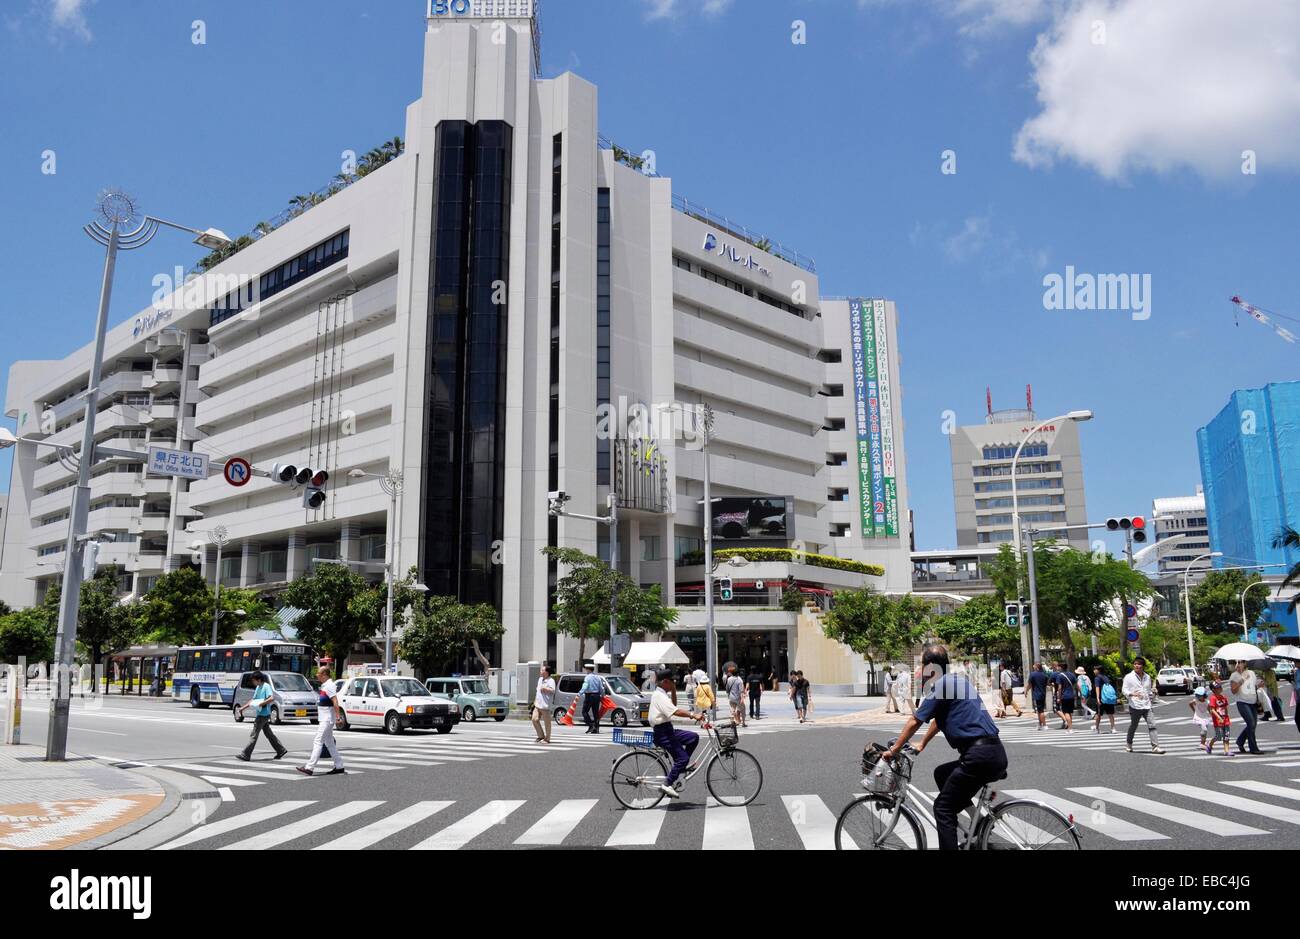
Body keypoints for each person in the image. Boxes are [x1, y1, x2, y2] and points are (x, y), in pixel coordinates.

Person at [882, 642, 1007, 851]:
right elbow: (939, 720)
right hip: (993, 752)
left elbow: (915, 721)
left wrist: (894, 750)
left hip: (978, 756)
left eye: (922, 665)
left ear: (931, 666)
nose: (920, 670)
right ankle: (978, 823)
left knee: (942, 808)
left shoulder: (941, 685)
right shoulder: (958, 681)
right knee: (942, 774)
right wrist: (922, 743)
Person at [648, 669, 706, 800]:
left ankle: (680, 766)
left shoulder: (662, 694)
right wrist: (693, 715)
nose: (674, 683)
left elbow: (672, 705)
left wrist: (673, 690)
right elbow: (675, 711)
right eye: (672, 682)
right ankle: (667, 783)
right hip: (662, 732)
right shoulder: (659, 696)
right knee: (683, 758)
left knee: (693, 738)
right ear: (665, 682)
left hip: (667, 729)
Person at [298, 666, 345, 776]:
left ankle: (309, 767)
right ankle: (339, 766)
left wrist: (338, 717)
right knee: (329, 743)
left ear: (324, 674)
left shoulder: (329, 686)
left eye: (318, 673)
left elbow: (335, 702)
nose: (317, 675)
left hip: (327, 719)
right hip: (325, 718)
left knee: (318, 741)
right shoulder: (325, 685)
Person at [237, 671, 289, 762]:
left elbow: (271, 698)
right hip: (261, 713)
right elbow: (253, 700)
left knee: (254, 735)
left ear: (259, 680)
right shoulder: (258, 687)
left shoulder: (266, 686)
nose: (253, 682)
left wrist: (261, 703)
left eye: (254, 680)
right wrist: (243, 708)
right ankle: (281, 750)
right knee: (269, 734)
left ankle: (246, 754)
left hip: (263, 714)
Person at [1123, 657, 1165, 754]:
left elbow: (1148, 691)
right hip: (1135, 705)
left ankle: (1155, 747)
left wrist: (1153, 693)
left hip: (1147, 705)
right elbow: (1124, 690)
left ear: (1143, 666)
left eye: (1139, 664)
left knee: (1152, 725)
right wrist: (1132, 694)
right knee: (1134, 725)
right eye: (1135, 664)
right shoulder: (1128, 677)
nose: (1136, 666)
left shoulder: (1147, 677)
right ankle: (1129, 743)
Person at [1230, 660, 1263, 754]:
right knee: (1251, 723)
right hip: (1242, 702)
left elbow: (1253, 686)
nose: (1239, 664)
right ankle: (1253, 748)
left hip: (1253, 701)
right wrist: (1241, 681)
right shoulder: (1234, 675)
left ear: (1245, 663)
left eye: (1241, 662)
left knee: (1252, 725)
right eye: (1238, 662)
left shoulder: (1251, 673)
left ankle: (1240, 741)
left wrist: (1259, 685)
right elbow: (1233, 691)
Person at [1207, 680, 1234, 756]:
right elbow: (1212, 709)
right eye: (1218, 688)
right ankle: (1210, 745)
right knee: (1219, 736)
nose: (1220, 689)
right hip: (1218, 720)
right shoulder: (1213, 698)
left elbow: (1225, 707)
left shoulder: (1223, 697)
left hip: (1225, 719)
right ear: (1213, 690)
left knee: (1227, 735)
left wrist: (1226, 716)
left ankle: (1226, 751)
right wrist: (1219, 717)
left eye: (1220, 687)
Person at [531, 664, 556, 744]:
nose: (540, 671)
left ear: (547, 672)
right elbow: (537, 691)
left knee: (547, 723)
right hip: (538, 704)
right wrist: (534, 701)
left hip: (545, 705)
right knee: (534, 719)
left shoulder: (551, 680)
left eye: (542, 670)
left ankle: (547, 738)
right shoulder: (540, 679)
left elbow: (552, 690)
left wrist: (545, 688)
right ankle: (541, 735)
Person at [579, 663, 604, 735]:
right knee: (596, 713)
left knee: (584, 711)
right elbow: (601, 688)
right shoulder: (598, 677)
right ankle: (596, 728)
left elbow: (585, 686)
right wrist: (602, 695)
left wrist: (579, 693)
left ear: (588, 669)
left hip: (589, 696)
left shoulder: (587, 677)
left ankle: (591, 725)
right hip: (597, 696)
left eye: (586, 669)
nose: (585, 670)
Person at [1092, 666, 1117, 734]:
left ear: (1098, 670)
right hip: (1108, 698)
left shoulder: (1097, 678)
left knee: (1098, 714)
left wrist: (1097, 698)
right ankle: (1113, 728)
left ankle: (1097, 728)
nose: (1094, 671)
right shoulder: (1106, 677)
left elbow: (1097, 688)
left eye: (1095, 669)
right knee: (1110, 714)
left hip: (1101, 698)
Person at [1052, 662, 1075, 732]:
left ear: (1061, 667)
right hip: (1071, 695)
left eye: (1058, 667)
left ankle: (1070, 728)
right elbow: (1076, 684)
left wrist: (1059, 697)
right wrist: (1081, 693)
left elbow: (1059, 688)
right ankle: (1070, 727)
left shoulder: (1060, 676)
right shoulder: (1072, 674)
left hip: (1065, 696)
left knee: (1066, 712)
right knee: (1070, 712)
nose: (1057, 668)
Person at [1026, 663, 1050, 731]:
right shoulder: (1044, 675)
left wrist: (1026, 690)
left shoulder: (1033, 674)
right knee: (1039, 710)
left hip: (1037, 694)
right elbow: (1047, 683)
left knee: (1040, 710)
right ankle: (1040, 724)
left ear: (1037, 667)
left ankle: (1044, 725)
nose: (1033, 667)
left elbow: (1029, 684)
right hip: (1043, 694)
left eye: (1034, 666)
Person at [1189, 685, 1212, 751]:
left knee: (1205, 730)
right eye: (1197, 695)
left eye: (1200, 695)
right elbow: (1190, 703)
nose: (1198, 697)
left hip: (1205, 718)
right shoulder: (1196, 701)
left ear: (1204, 695)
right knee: (1204, 729)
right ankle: (1201, 744)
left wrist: (1212, 715)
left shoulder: (1207, 702)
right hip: (1198, 718)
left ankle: (1204, 743)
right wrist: (1194, 711)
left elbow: (1209, 709)